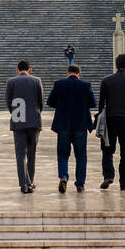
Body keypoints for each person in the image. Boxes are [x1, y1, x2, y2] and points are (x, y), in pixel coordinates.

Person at [47, 64, 96, 193]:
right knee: (81, 155)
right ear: (79, 74)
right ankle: (80, 184)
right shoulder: (86, 85)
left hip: (63, 126)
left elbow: (50, 102)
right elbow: (93, 103)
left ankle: (63, 176)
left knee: (63, 154)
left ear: (67, 73)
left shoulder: (59, 84)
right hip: (80, 126)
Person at [98, 52, 125, 191]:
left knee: (107, 150)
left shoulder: (106, 80)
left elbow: (101, 103)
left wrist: (100, 118)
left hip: (110, 120)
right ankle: (124, 183)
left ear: (116, 64)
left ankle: (108, 176)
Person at [4, 59, 44, 193]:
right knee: (32, 153)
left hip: (18, 119)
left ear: (17, 69)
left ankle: (24, 184)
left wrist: (16, 113)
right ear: (30, 69)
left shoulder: (11, 82)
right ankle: (30, 181)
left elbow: (8, 101)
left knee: (20, 154)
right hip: (34, 120)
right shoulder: (37, 81)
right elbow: (41, 101)